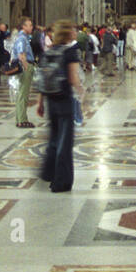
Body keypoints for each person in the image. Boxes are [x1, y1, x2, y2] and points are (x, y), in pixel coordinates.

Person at [36, 20, 84, 193]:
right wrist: (81, 91)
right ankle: (61, 182)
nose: (75, 32)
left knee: (54, 138)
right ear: (67, 33)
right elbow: (73, 77)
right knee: (65, 141)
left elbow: (42, 78)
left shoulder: (49, 51)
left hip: (51, 99)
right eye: (73, 30)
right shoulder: (70, 52)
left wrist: (40, 102)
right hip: (64, 99)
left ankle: (49, 172)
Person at [7, 17, 36, 128]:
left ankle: (21, 118)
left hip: (25, 66)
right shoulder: (22, 39)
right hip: (24, 67)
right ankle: (22, 120)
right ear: (24, 26)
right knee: (23, 93)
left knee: (23, 93)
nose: (31, 27)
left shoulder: (24, 38)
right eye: (30, 25)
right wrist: (26, 66)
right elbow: (21, 54)